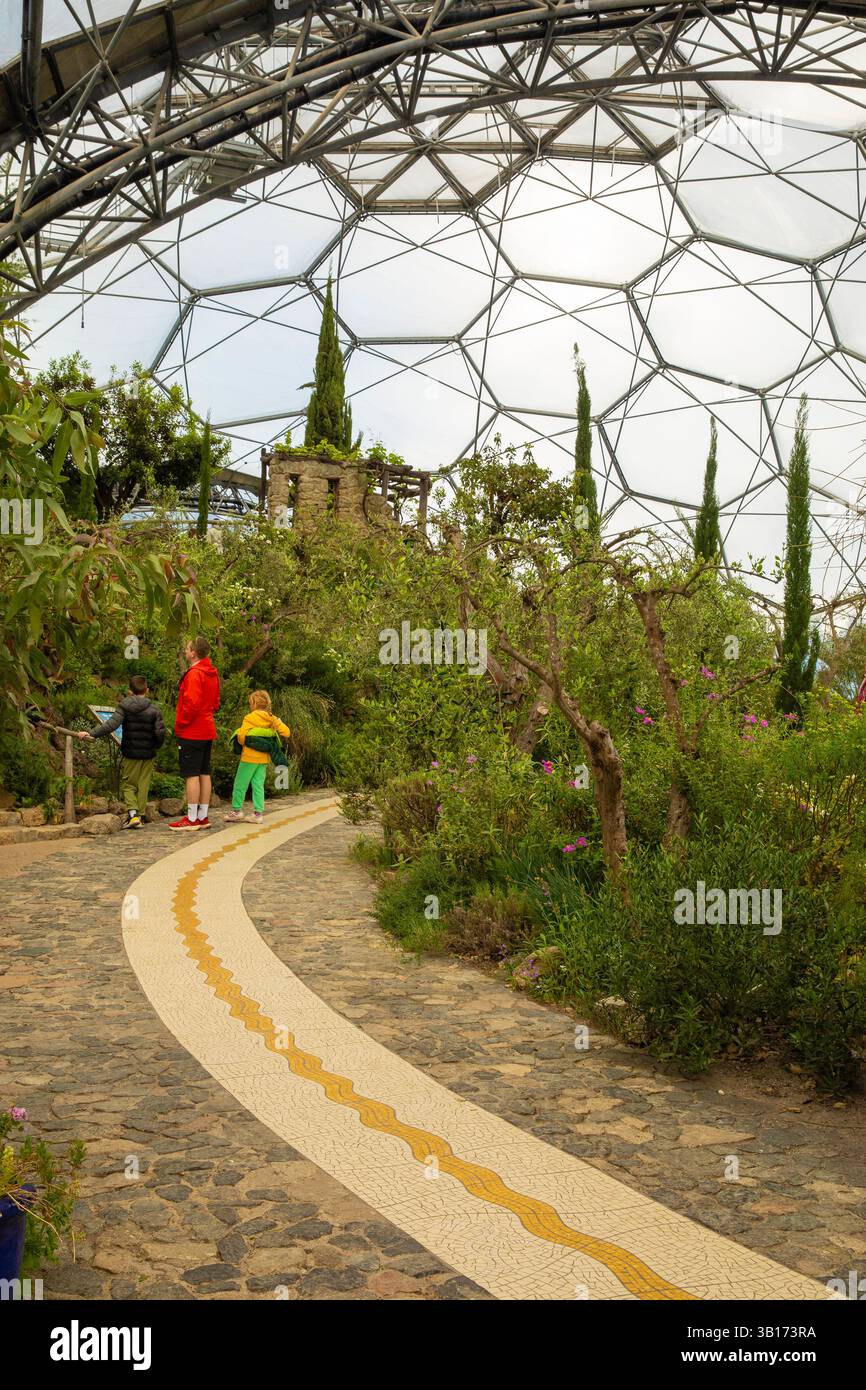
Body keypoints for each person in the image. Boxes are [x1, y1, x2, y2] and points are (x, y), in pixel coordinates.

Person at [78, 675, 165, 828]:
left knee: (129, 784)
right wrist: (156, 746)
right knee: (143, 784)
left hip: (130, 752)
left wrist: (91, 733)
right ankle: (141, 815)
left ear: (130, 691)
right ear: (147, 690)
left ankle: (133, 815)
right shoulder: (155, 710)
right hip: (149, 753)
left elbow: (110, 725)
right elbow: (160, 733)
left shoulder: (124, 706)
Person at [169, 636, 221, 831]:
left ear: (194, 653)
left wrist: (181, 724)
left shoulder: (194, 674)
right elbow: (216, 701)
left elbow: (191, 703)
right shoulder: (211, 673)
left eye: (187, 649)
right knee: (204, 772)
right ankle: (202, 815)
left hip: (192, 729)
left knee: (191, 774)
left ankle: (191, 818)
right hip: (207, 727)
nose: (185, 651)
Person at [225, 691, 291, 825]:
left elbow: (242, 737)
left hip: (249, 758)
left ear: (254, 704)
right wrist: (276, 723)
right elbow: (287, 733)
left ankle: (237, 812)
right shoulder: (272, 718)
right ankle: (258, 814)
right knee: (258, 785)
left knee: (240, 784)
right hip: (263, 760)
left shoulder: (249, 718)